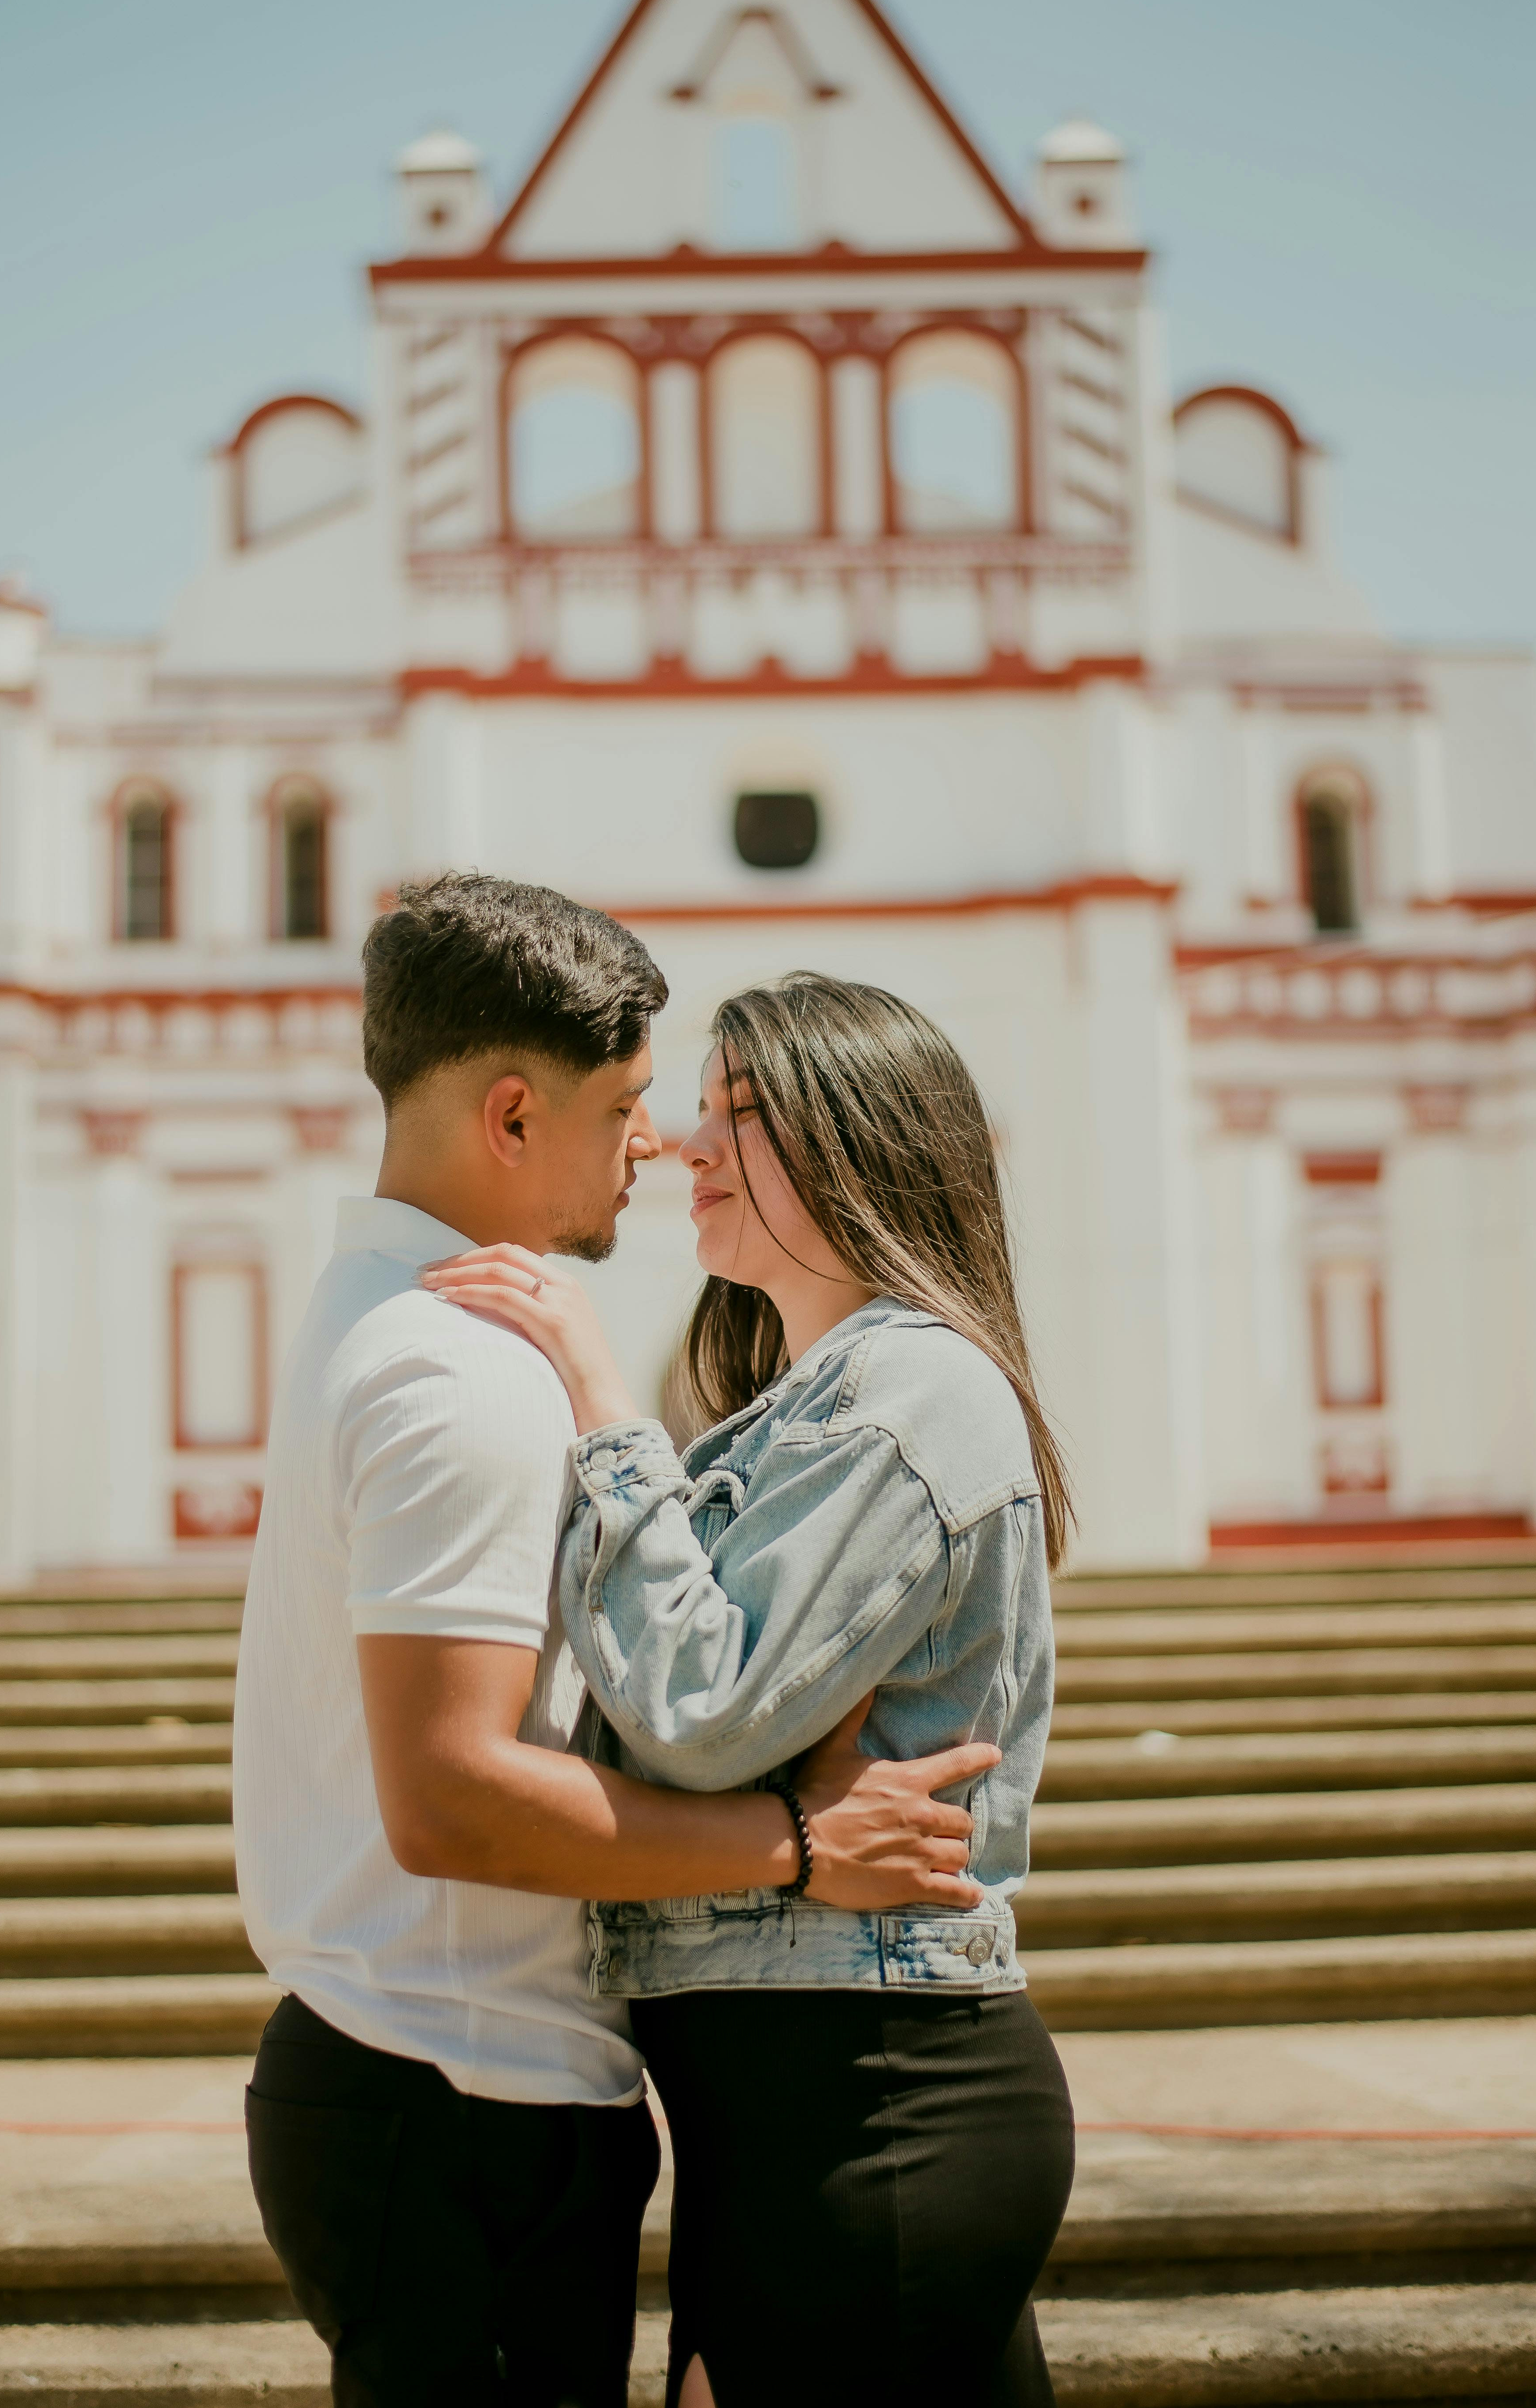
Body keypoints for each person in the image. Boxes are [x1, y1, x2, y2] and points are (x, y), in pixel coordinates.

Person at [233, 883, 1003, 2408]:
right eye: (629, 1104)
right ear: (511, 1116)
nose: (652, 1144)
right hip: (459, 2090)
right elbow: (450, 1793)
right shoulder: (458, 1371)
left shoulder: (385, 1311)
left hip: (433, 2071)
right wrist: (791, 1841)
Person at [425, 970, 1077, 2408]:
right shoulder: (808, 1401)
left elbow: (699, 1711)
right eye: (697, 1111)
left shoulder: (911, 1388)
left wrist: (603, 1407)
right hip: (800, 2103)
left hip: (872, 2095)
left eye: (738, 1115)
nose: (682, 1147)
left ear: (859, 1134)